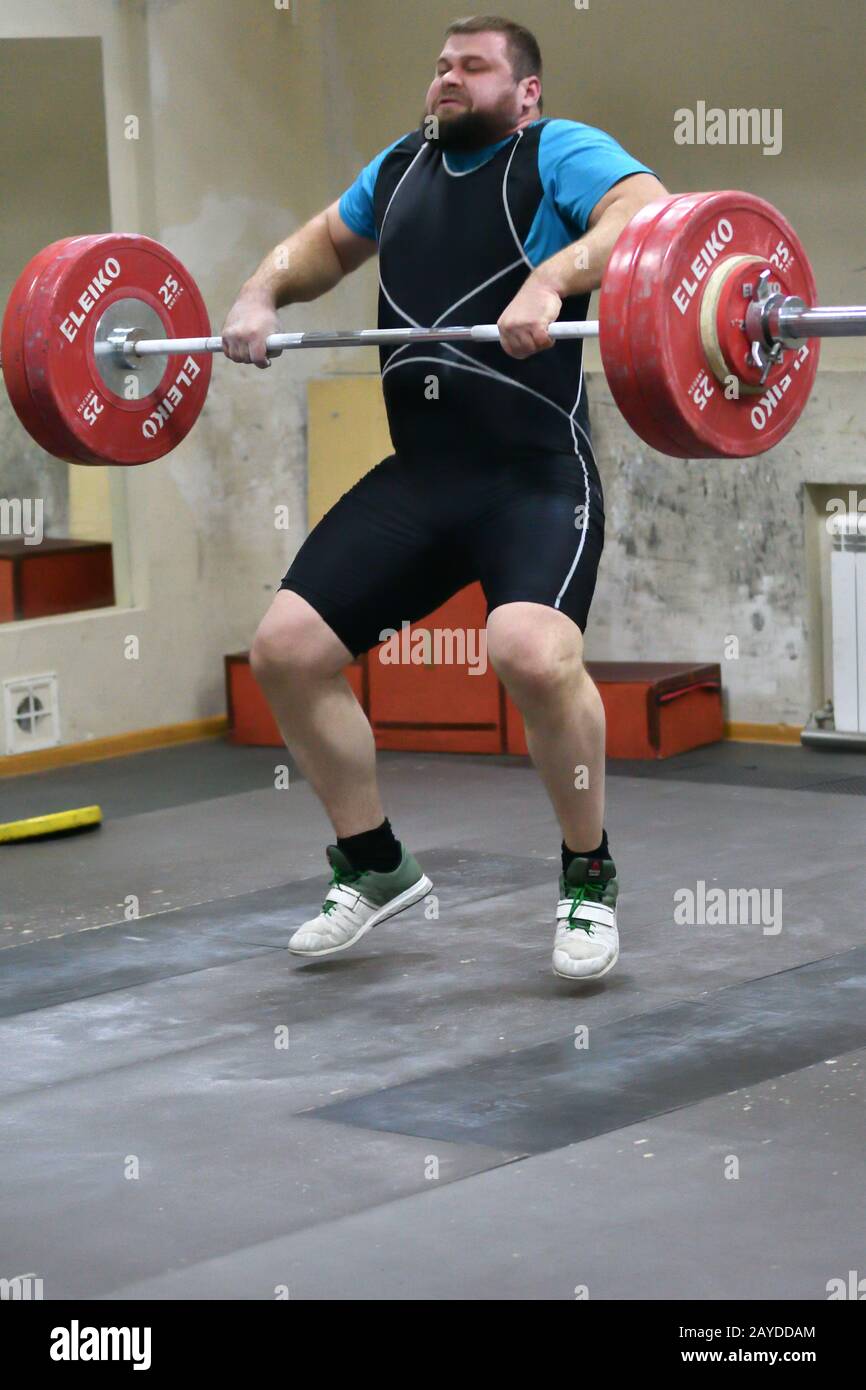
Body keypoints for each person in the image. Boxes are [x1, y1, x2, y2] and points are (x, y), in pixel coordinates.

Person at [222, 14, 668, 980]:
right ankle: (376, 865)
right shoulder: (401, 169)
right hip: (423, 477)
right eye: (439, 67)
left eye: (473, 66)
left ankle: (587, 877)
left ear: (526, 90)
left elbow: (649, 213)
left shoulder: (557, 151)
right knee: (286, 652)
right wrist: (260, 294)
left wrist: (553, 278)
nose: (447, 81)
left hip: (534, 476)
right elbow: (323, 247)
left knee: (530, 654)